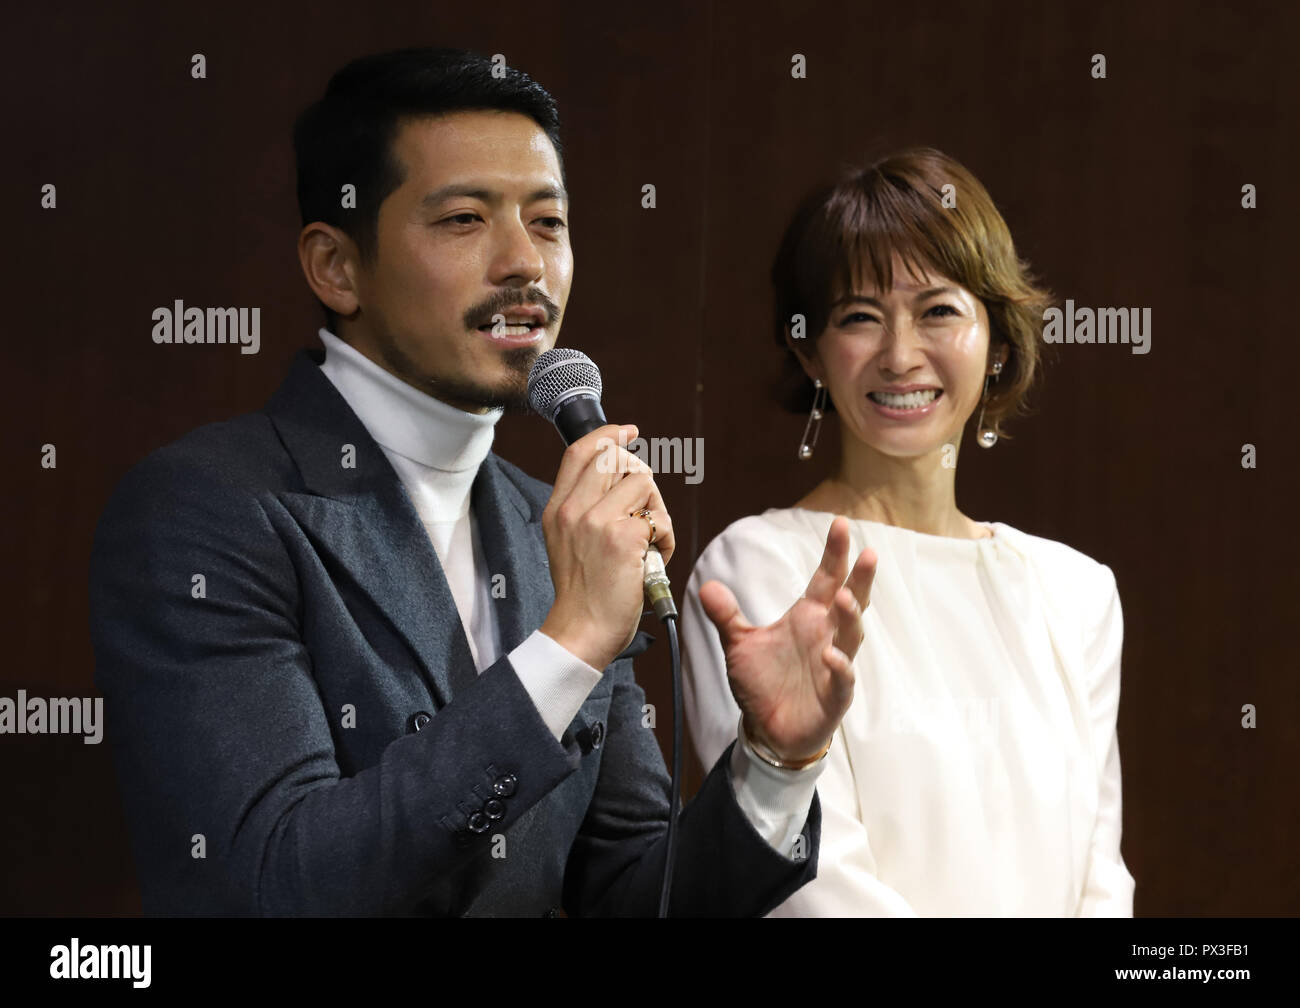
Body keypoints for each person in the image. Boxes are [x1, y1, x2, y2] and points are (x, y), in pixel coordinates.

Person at [87, 47, 874, 916]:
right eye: (464, 220)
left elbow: (630, 895)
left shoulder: (551, 526)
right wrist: (566, 647)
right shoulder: (205, 509)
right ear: (336, 268)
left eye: (548, 222)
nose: (523, 264)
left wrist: (773, 764)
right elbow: (274, 884)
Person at [681, 148, 1137, 916]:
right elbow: (809, 885)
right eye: (859, 317)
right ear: (810, 352)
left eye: (937, 311)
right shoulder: (757, 565)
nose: (899, 356)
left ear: (996, 340)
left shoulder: (1075, 590)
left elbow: (1101, 876)